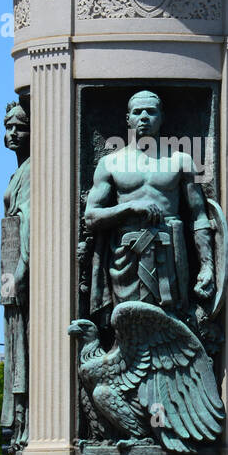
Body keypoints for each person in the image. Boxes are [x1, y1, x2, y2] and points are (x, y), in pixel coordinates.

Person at [84, 90, 215, 331]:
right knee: (128, 323)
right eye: (137, 112)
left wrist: (207, 265)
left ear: (162, 117)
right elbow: (91, 217)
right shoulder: (110, 163)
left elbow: (198, 215)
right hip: (126, 254)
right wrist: (129, 208)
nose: (144, 116)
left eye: (151, 111)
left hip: (171, 251)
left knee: (171, 324)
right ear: (128, 119)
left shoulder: (181, 160)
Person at [1, 100, 30, 450]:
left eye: (19, 127)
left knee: (22, 351)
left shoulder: (33, 171)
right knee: (16, 351)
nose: (12, 133)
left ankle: (24, 424)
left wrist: (20, 276)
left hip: (19, 278)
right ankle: (22, 425)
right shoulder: (18, 172)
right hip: (10, 275)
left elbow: (31, 228)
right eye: (8, 127)